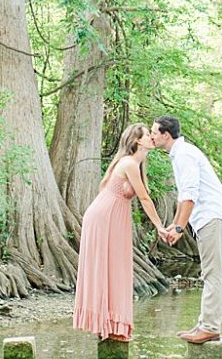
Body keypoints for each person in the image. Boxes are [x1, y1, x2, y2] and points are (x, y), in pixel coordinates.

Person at [73, 123, 171, 342]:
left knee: (115, 268)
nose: (152, 138)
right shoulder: (128, 163)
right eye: (148, 135)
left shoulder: (136, 164)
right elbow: (144, 198)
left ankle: (110, 324)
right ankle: (107, 325)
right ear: (137, 140)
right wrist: (160, 227)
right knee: (107, 267)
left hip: (115, 217)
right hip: (104, 216)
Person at [152, 115, 222, 345]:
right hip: (208, 217)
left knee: (211, 273)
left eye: (154, 132)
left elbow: (190, 194)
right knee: (209, 272)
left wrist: (179, 228)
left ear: (165, 135)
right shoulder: (181, 153)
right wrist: (175, 223)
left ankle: (210, 327)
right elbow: (184, 198)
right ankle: (204, 324)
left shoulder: (184, 154)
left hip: (212, 216)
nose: (151, 136)